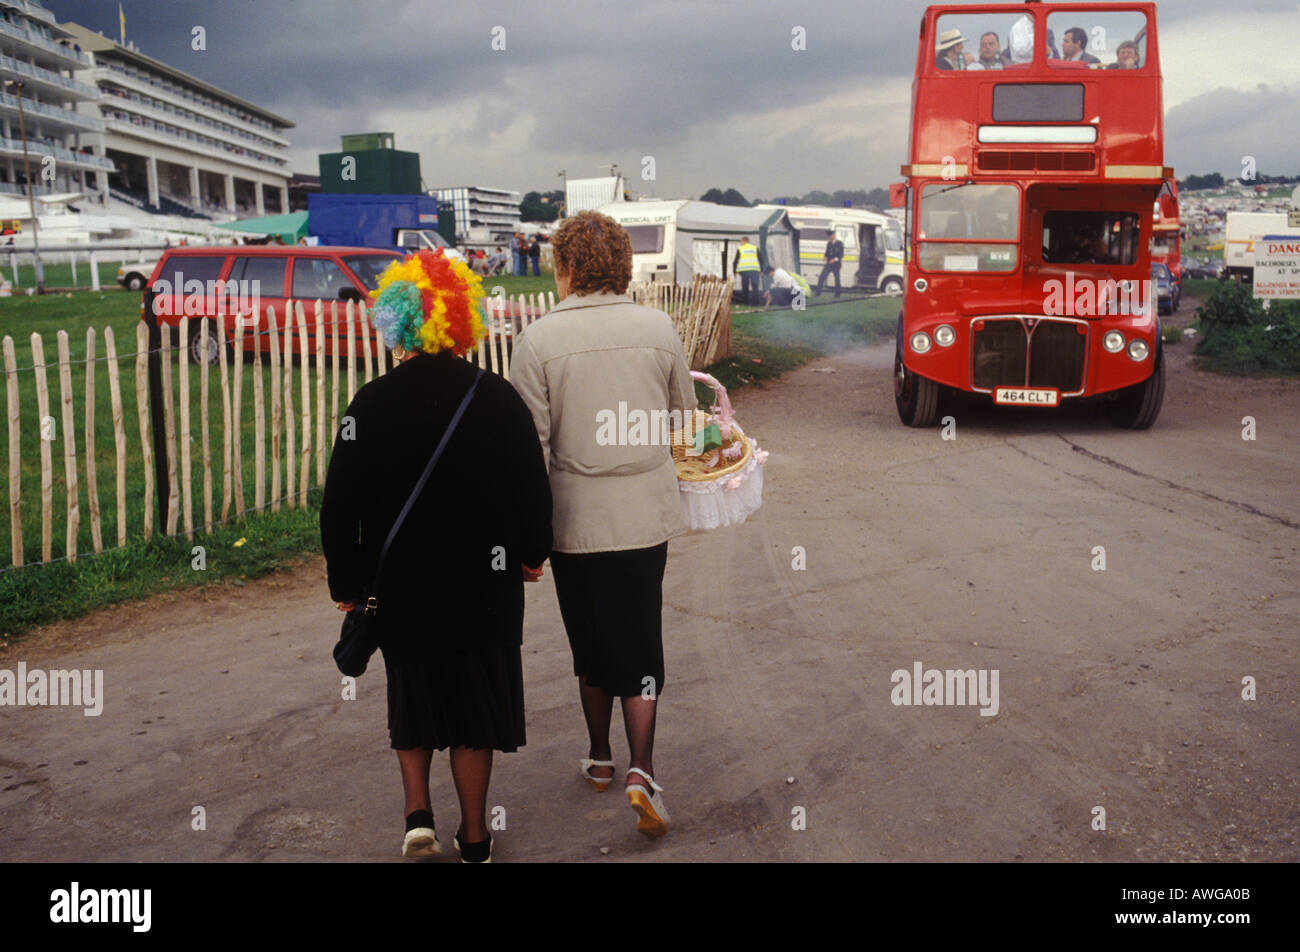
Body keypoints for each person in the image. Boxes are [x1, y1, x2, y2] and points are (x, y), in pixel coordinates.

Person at [320, 249, 552, 863]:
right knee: (475, 704)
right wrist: (531, 553)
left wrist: (347, 580)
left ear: (396, 322)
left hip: (402, 583)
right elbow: (532, 484)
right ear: (462, 318)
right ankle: (474, 835)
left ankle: (416, 818)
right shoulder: (497, 398)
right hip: (485, 582)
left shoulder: (368, 404)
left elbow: (339, 505)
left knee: (413, 689)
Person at [509, 211, 696, 838]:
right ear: (622, 264)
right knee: (641, 639)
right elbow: (683, 422)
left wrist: (528, 540)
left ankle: (598, 757)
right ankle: (642, 771)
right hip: (644, 515)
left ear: (563, 267)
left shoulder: (537, 340)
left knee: (588, 641)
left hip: (574, 521)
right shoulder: (658, 327)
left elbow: (527, 449)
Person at [733, 235, 763, 305]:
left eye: (741, 241)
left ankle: (746, 302)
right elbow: (761, 260)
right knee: (755, 287)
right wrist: (761, 270)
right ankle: (755, 303)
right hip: (754, 270)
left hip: (744, 271)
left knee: (745, 287)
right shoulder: (755, 248)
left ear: (744, 241)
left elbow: (735, 261)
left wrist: (734, 271)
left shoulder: (740, 249)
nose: (740, 243)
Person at [815, 231, 844, 297]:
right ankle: (818, 293)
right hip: (829, 264)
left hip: (836, 265)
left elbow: (841, 255)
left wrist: (834, 259)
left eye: (830, 236)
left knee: (837, 279)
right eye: (829, 236)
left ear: (833, 235)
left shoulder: (840, 243)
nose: (830, 237)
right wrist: (825, 257)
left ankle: (837, 294)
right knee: (822, 277)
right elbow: (827, 252)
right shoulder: (829, 243)